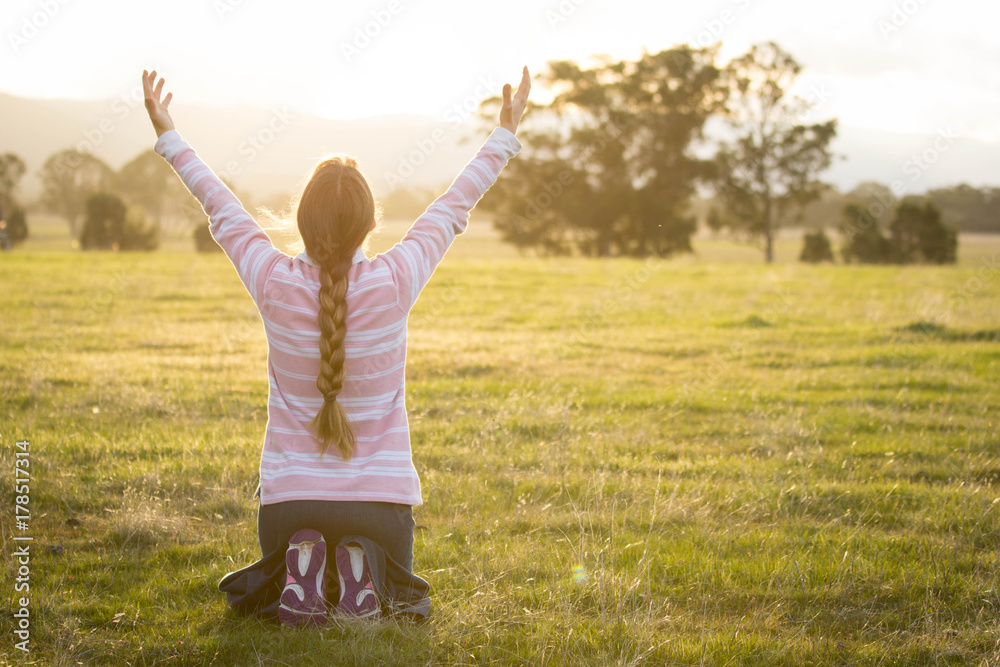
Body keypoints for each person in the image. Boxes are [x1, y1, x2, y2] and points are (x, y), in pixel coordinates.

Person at [142, 67, 530, 626]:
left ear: (300, 222)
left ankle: (297, 569)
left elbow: (221, 208)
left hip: (288, 506)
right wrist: (504, 136)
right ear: (373, 223)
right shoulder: (395, 280)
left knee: (282, 565)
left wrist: (169, 136)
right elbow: (452, 207)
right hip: (381, 507)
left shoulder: (274, 282)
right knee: (404, 597)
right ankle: (363, 565)